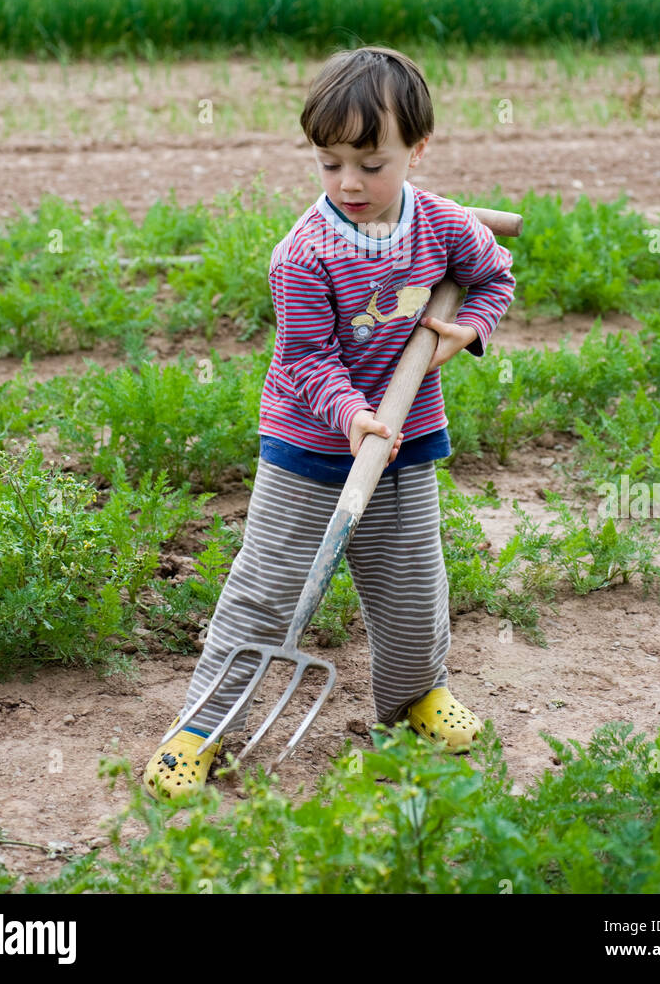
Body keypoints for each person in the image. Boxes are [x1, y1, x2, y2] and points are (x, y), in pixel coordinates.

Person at [144, 45, 515, 799]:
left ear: (417, 149)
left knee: (411, 583)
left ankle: (414, 696)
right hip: (309, 444)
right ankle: (202, 726)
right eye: (328, 162)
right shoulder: (303, 255)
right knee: (268, 585)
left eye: (372, 164)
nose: (349, 182)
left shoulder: (443, 226)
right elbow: (307, 362)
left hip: (404, 442)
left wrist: (469, 329)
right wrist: (352, 416)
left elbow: (491, 276)